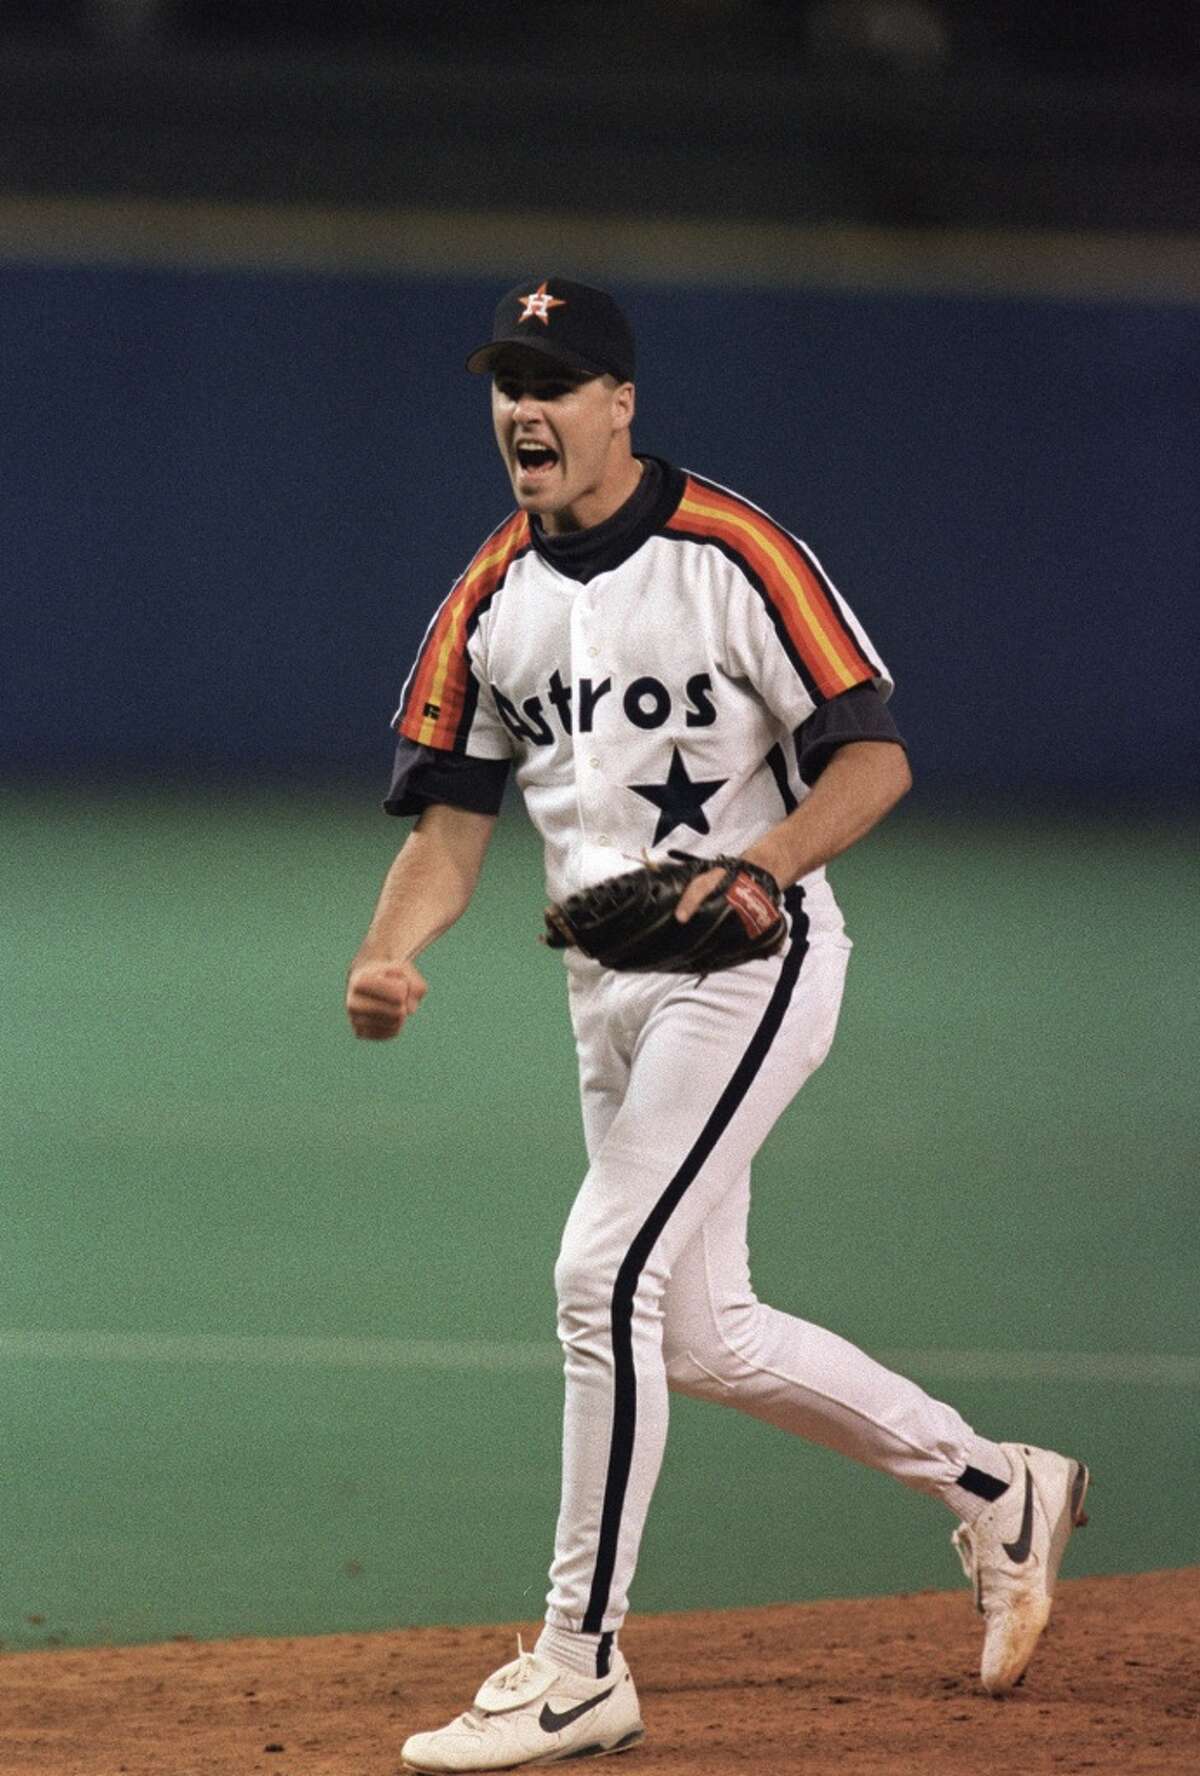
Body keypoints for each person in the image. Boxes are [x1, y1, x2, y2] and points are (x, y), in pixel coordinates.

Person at [345, 278, 1089, 1773]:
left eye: (556, 382)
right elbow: (447, 827)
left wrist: (763, 863)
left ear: (622, 403)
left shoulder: (736, 552)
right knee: (697, 1329)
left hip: (755, 958)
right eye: (508, 384)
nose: (525, 411)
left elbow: (871, 763)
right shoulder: (490, 593)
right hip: (605, 989)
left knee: (598, 1274)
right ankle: (999, 1485)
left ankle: (577, 1665)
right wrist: (386, 957)